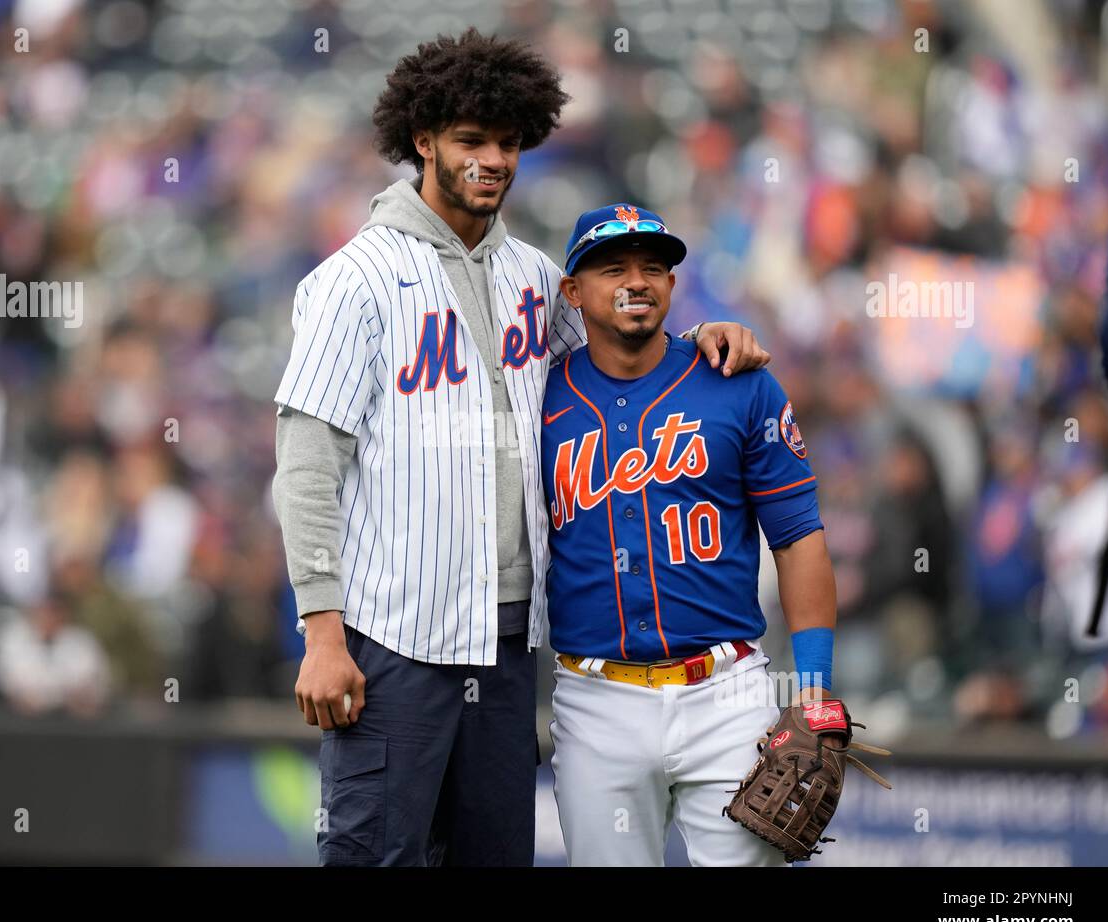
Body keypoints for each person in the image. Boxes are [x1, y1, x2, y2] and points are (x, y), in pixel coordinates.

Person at [272, 29, 770, 867]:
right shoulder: (351, 280)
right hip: (395, 644)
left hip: (507, 650)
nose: (493, 158)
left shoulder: (536, 277)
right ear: (423, 141)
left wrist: (704, 344)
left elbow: (628, 362)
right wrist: (322, 634)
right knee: (375, 859)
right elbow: (307, 465)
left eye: (507, 142)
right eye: (471, 140)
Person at [542, 202, 838, 866]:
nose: (636, 280)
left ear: (674, 285)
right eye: (612, 267)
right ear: (573, 291)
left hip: (726, 694)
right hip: (595, 701)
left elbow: (797, 538)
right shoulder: (536, 396)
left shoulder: (739, 384)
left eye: (654, 266)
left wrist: (814, 686)